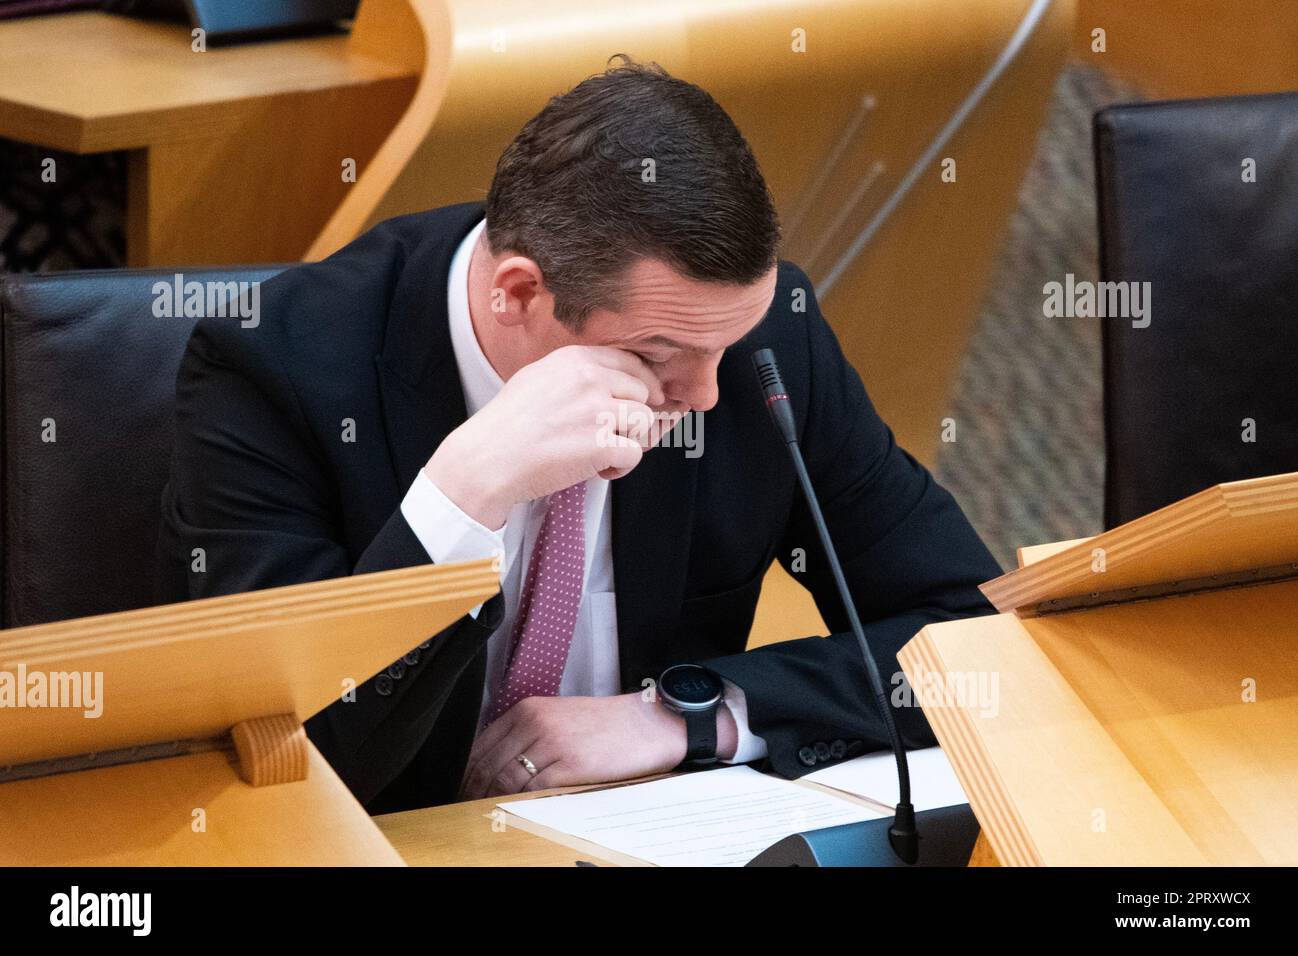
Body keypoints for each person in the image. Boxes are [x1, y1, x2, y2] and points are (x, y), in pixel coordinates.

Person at [157, 58, 1001, 814]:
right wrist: (463, 493)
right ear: (519, 293)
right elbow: (290, 757)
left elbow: (973, 637)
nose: (705, 397)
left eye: (724, 349)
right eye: (656, 355)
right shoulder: (273, 370)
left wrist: (685, 718)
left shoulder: (764, 346)